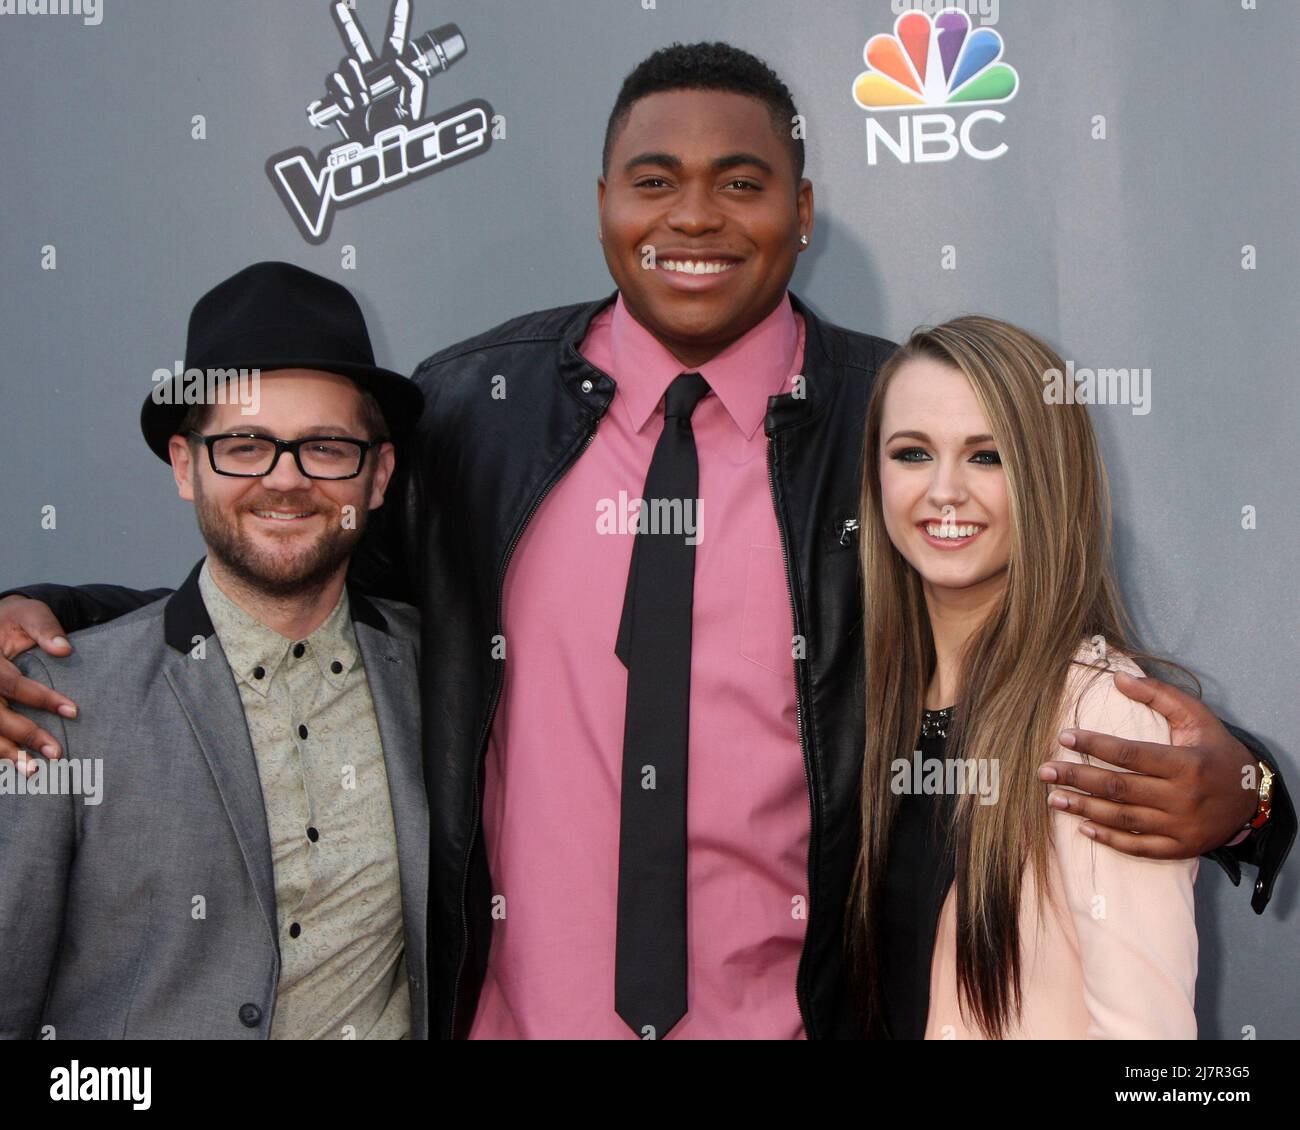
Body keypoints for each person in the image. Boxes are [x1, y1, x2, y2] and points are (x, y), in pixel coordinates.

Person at [0, 44, 1290, 1039]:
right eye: (655, 180)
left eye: (743, 182)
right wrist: (47, 607)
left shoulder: (889, 418)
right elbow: (299, 576)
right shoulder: (473, 410)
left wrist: (1252, 798)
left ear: (802, 209)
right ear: (603, 201)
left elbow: (1038, 653)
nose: (697, 217)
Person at [0, 262, 429, 1039]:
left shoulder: (444, 679)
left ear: (378, 476)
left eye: (326, 448)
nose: (286, 481)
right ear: (185, 466)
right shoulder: (54, 705)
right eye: (244, 445)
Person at [852, 315, 1210, 1039]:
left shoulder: (1103, 716)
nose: (945, 491)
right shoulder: (861, 700)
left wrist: (1258, 796)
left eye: (987, 458)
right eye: (913, 453)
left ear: (1047, 476)